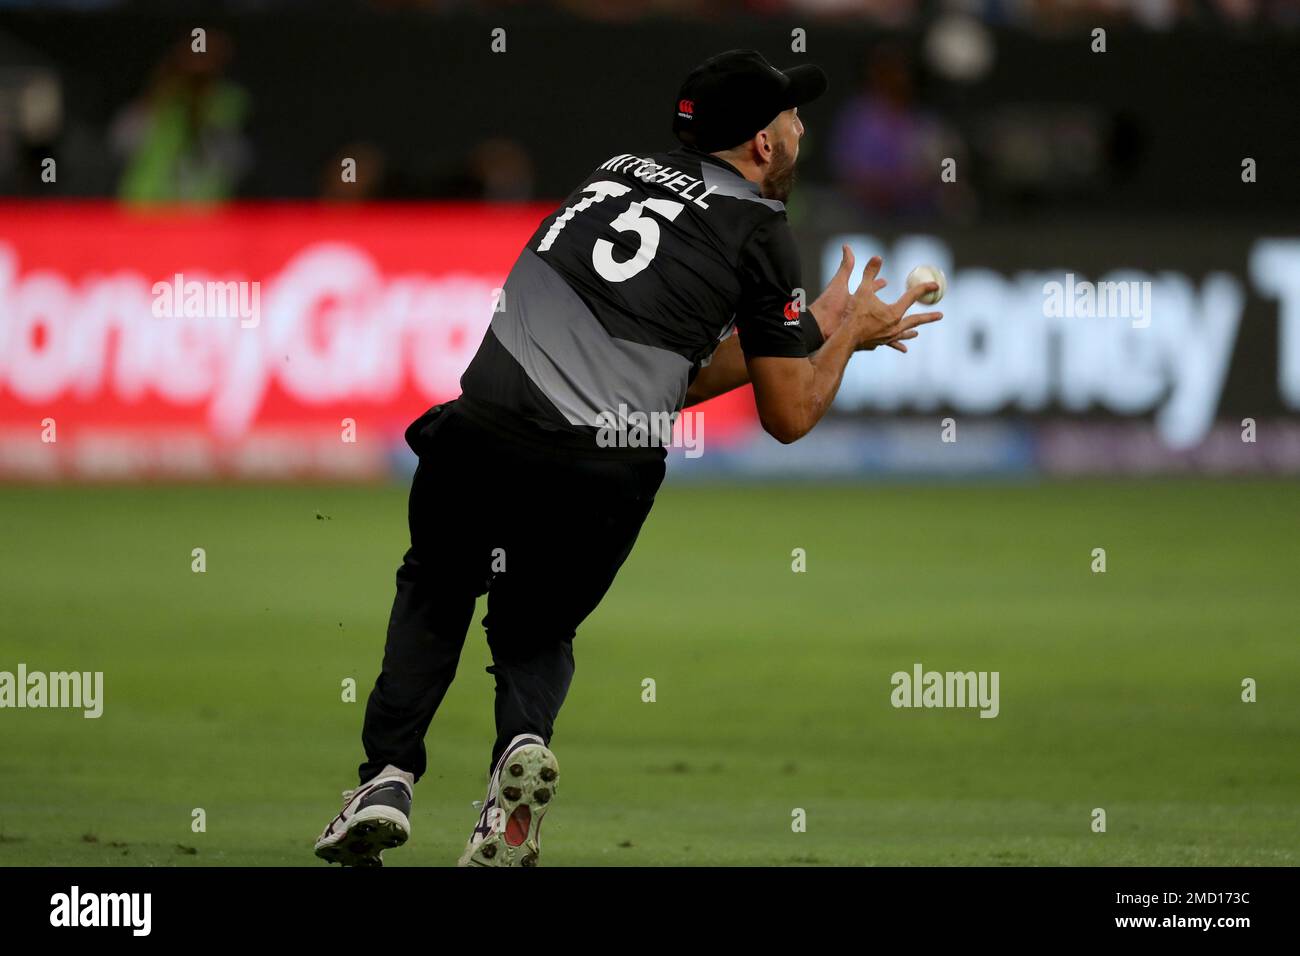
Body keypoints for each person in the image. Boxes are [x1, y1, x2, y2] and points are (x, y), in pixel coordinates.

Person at [314, 48, 942, 868]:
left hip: (485, 430)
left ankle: (386, 781)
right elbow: (787, 416)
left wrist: (806, 330)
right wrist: (847, 335)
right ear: (760, 144)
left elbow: (660, 361)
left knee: (437, 589)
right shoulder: (758, 231)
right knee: (536, 626)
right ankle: (515, 774)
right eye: (791, 117)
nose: (800, 128)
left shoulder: (613, 170)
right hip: (598, 472)